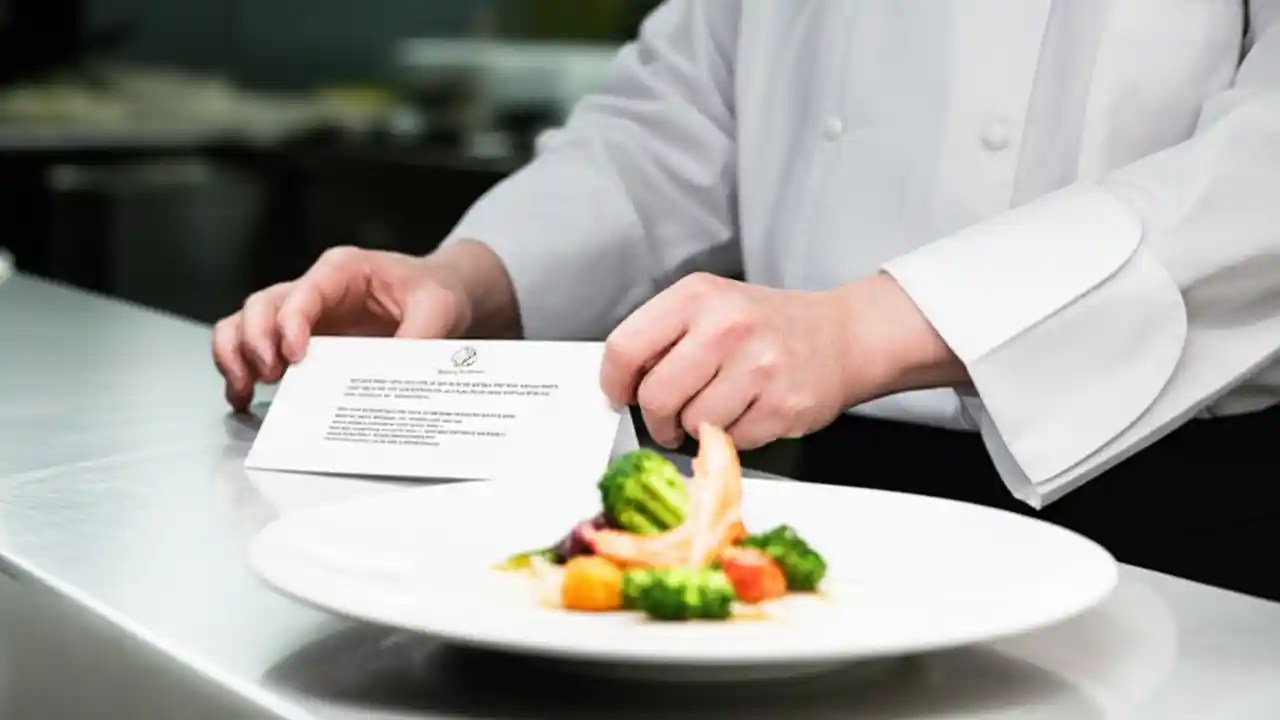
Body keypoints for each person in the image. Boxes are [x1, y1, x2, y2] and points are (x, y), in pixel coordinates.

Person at [213, 3, 1280, 600]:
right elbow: (672, 124)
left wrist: (862, 326)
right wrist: (468, 278)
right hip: (840, 485)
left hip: (1186, 511)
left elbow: (1256, 173)